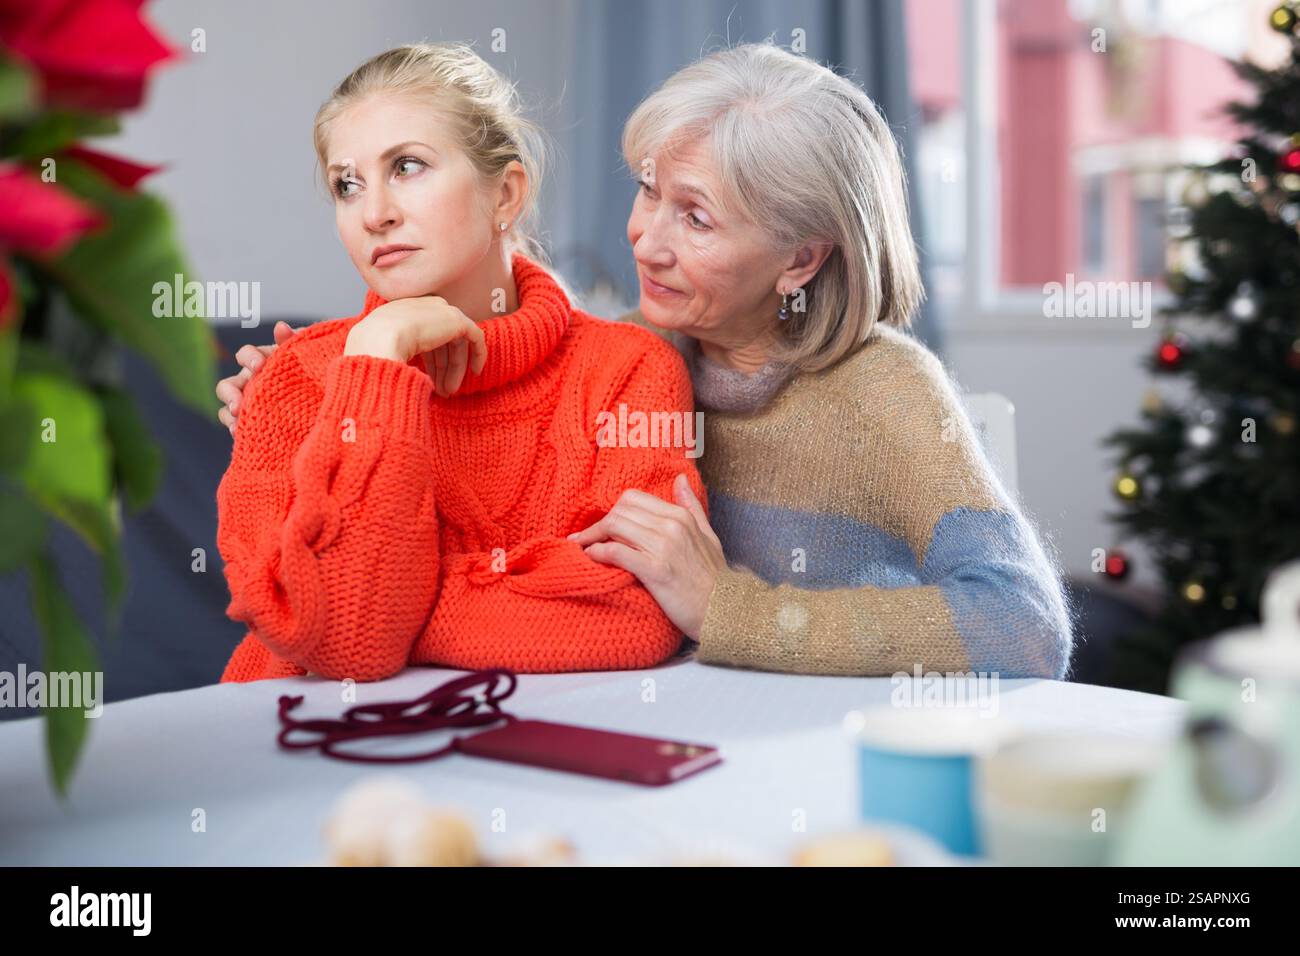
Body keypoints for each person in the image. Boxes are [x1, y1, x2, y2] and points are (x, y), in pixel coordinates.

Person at [221, 43, 1074, 680]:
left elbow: (1024, 625)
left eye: (695, 219)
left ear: (800, 260)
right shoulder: (643, 345)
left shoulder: (883, 391)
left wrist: (733, 611)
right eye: (645, 189)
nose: (644, 240)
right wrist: (334, 387)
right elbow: (523, 346)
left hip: (818, 748)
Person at [215, 43, 705, 684]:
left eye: (408, 166)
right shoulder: (294, 379)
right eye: (347, 184)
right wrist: (378, 361)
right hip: (294, 758)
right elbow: (340, 640)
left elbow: (634, 612)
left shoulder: (628, 371)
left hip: (516, 767)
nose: (374, 213)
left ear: (505, 194)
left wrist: (392, 601)